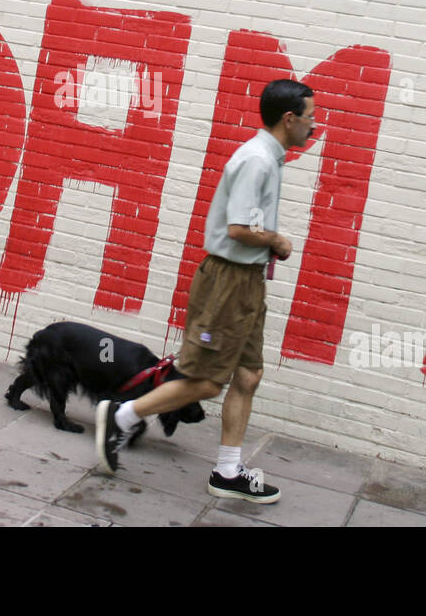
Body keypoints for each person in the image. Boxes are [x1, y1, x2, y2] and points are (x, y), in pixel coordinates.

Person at [94, 78, 316, 504]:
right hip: (228, 283)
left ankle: (228, 471)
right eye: (310, 118)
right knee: (207, 381)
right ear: (289, 119)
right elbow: (239, 229)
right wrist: (277, 241)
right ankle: (121, 415)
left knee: (248, 375)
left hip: (247, 283)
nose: (313, 127)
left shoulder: (270, 157)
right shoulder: (258, 161)